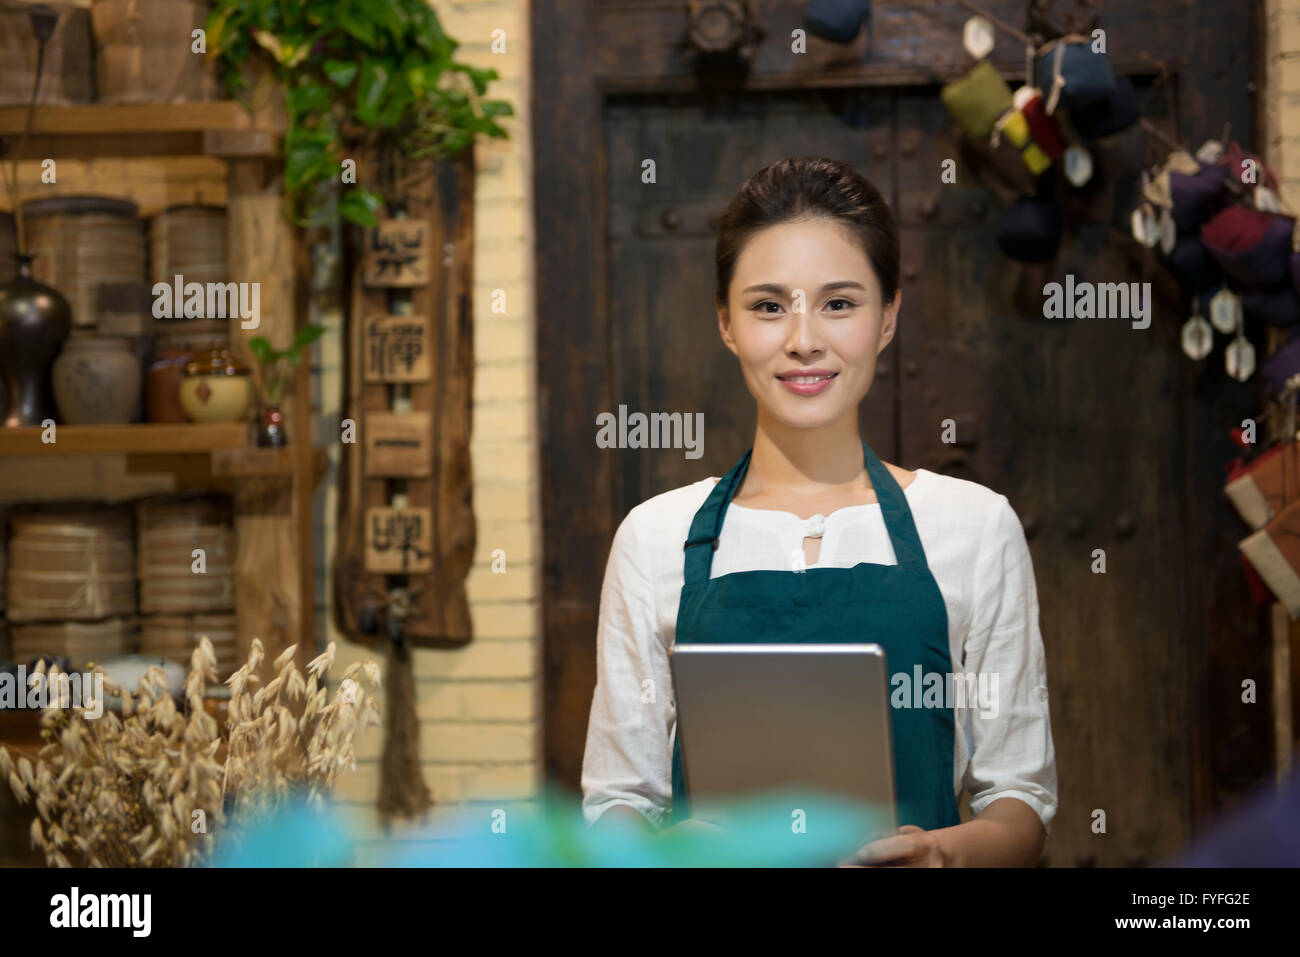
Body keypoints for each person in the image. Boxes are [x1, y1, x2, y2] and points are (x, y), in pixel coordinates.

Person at [580, 156, 1057, 866]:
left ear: (889, 315)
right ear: (726, 322)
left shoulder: (976, 526)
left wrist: (940, 856)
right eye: (769, 306)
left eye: (839, 303)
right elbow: (617, 801)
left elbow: (1019, 802)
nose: (804, 338)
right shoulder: (654, 537)